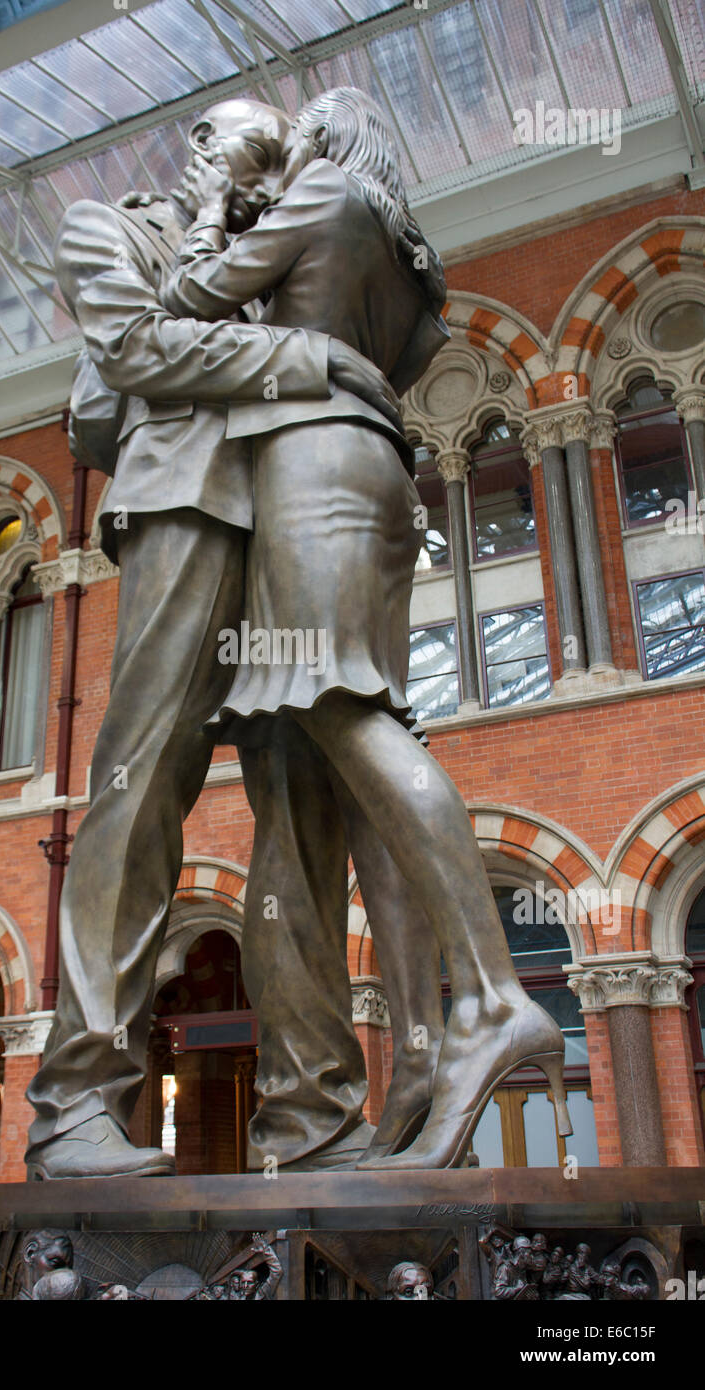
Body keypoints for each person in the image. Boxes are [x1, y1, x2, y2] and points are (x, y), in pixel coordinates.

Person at [25, 95, 436, 1178]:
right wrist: (315, 365)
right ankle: (76, 1103)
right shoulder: (107, 225)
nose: (268, 164)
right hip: (191, 501)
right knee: (141, 776)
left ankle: (311, 1117)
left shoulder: (293, 228)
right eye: (249, 146)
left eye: (281, 148)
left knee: (304, 812)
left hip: (304, 522)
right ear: (201, 145)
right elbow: (134, 350)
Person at [163, 86, 572, 1170]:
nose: (283, 151)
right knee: (364, 734)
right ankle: (431, 1040)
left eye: (295, 138)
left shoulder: (323, 193)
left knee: (345, 716)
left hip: (314, 474)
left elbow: (190, 298)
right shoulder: (401, 251)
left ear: (328, 141)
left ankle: (486, 1000)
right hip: (383, 474)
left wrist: (213, 208)